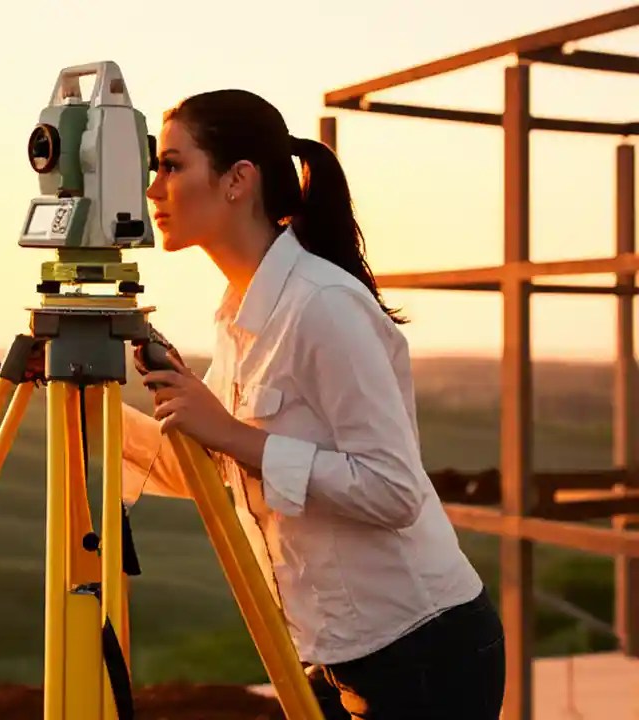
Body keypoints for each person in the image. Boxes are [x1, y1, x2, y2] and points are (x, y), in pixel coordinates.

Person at [118, 89, 507, 719]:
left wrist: (233, 434)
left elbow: (393, 489)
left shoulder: (323, 305)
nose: (153, 188)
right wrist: (85, 404)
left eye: (171, 165)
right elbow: (207, 470)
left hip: (422, 652)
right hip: (333, 654)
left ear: (238, 180)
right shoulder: (239, 316)